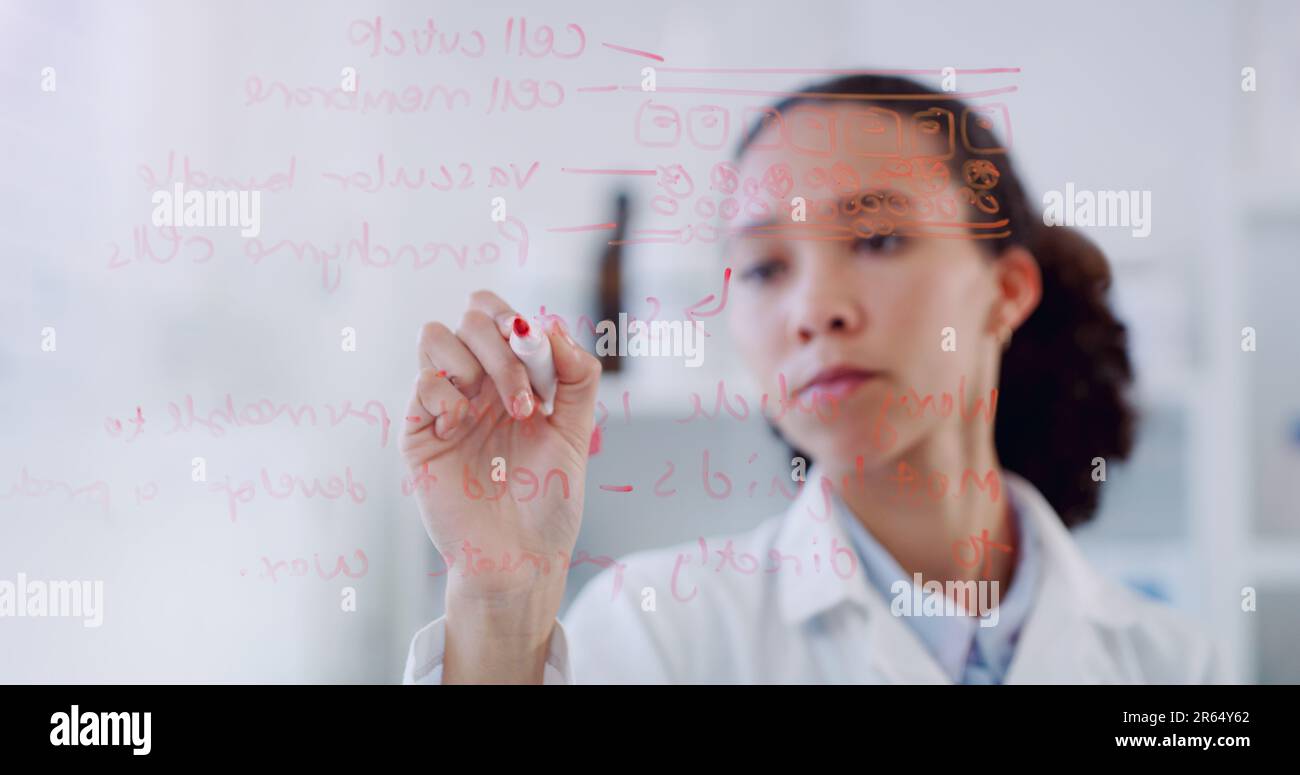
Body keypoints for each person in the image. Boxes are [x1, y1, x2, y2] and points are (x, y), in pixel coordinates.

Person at [398, 74, 1227, 684]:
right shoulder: (659, 632)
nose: (814, 309)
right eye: (763, 266)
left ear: (1006, 291)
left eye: (877, 240)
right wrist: (501, 603)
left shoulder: (1175, 672)